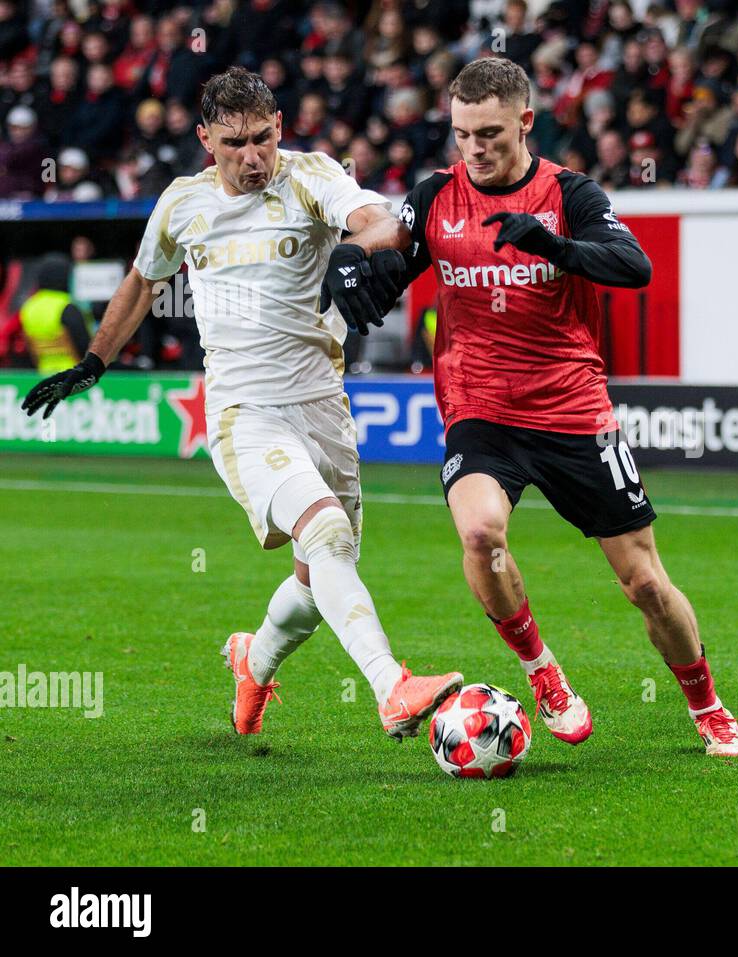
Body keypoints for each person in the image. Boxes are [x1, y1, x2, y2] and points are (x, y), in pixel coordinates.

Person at [21, 67, 463, 738]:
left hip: (322, 405)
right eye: (234, 144)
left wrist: (353, 252)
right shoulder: (183, 203)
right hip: (242, 411)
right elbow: (144, 281)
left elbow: (380, 222)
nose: (252, 157)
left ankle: (251, 662)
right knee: (326, 532)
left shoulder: (310, 176)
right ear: (205, 138)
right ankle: (391, 686)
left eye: (262, 138)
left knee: (318, 583)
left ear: (279, 126)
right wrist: (93, 361)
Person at [345, 57, 738, 757]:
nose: (475, 147)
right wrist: (351, 269)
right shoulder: (436, 196)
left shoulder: (570, 193)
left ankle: (706, 702)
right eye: (463, 132)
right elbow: (388, 257)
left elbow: (635, 266)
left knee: (645, 583)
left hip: (571, 409)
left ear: (527, 121)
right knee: (480, 534)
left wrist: (557, 247)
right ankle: (543, 673)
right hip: (480, 409)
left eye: (491, 132)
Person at [18, 254, 91, 374]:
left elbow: (29, 348)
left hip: (42, 374)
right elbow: (85, 346)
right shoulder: (67, 306)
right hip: (72, 375)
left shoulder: (28, 307)